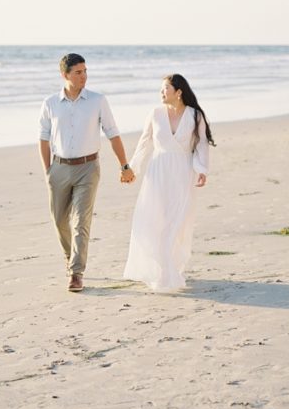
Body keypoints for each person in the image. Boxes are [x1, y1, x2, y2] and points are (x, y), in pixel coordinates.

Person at [39, 53, 135, 293]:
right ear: (65, 75)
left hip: (88, 168)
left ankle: (76, 272)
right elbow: (43, 138)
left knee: (81, 221)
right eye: (78, 72)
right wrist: (47, 171)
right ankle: (69, 255)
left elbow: (113, 133)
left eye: (85, 71)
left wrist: (124, 165)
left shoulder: (98, 100)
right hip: (59, 168)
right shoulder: (50, 103)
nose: (84, 76)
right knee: (59, 220)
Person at [123, 74, 214, 292]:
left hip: (183, 173)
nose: (161, 92)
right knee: (155, 221)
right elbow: (144, 143)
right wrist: (132, 168)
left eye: (165, 88)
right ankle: (163, 270)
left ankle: (169, 269)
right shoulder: (155, 114)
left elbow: (201, 144)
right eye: (161, 89)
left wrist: (201, 169)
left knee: (177, 222)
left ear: (179, 91)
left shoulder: (195, 116)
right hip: (158, 172)